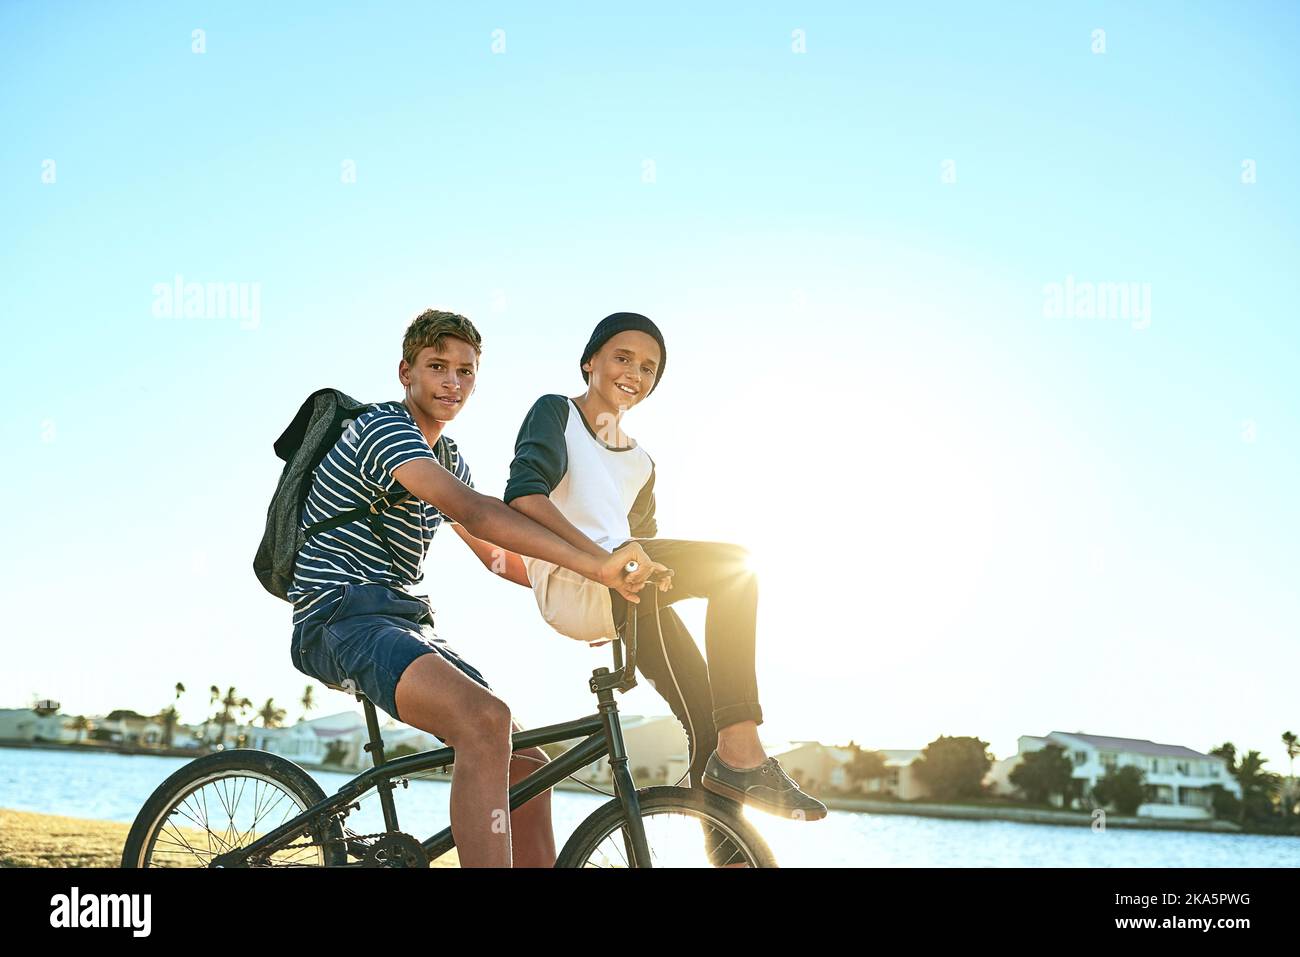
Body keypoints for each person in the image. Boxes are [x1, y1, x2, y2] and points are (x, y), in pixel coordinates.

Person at [287, 308, 668, 867]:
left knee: (528, 763)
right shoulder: (382, 428)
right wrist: (595, 565)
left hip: (403, 622)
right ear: (405, 373)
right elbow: (475, 512)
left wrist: (585, 592)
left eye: (466, 372)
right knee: (486, 722)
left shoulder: (447, 457)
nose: (452, 383)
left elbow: (497, 555)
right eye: (437, 367)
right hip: (340, 617)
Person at [502, 312, 827, 820]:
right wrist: (598, 564)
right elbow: (524, 496)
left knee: (706, 725)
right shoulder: (556, 412)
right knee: (736, 566)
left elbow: (645, 551)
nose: (635, 372)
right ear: (590, 362)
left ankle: (734, 831)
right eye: (623, 357)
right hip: (576, 579)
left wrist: (621, 574)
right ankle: (745, 749)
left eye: (649, 367)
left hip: (625, 595)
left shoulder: (642, 463)